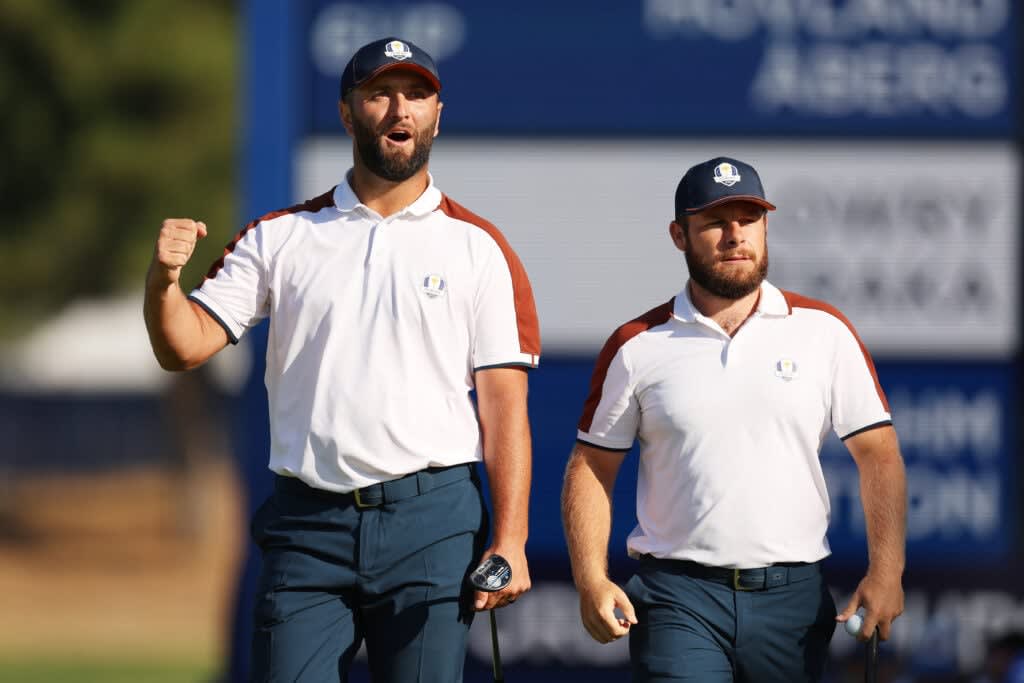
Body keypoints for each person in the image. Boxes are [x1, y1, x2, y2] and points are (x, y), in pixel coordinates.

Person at [144, 36, 540, 682]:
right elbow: (183, 345)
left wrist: (513, 539)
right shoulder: (282, 237)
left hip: (432, 522)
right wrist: (162, 281)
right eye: (379, 93)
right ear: (347, 111)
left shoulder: (479, 248)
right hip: (309, 524)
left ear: (438, 113)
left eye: (416, 94)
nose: (398, 110)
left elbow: (504, 411)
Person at [561, 156, 906, 682]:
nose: (735, 235)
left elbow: (878, 454)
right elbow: (591, 467)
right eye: (716, 221)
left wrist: (888, 570)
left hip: (791, 598)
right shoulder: (637, 344)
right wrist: (590, 578)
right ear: (680, 235)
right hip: (678, 597)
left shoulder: (824, 331)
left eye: (748, 218)